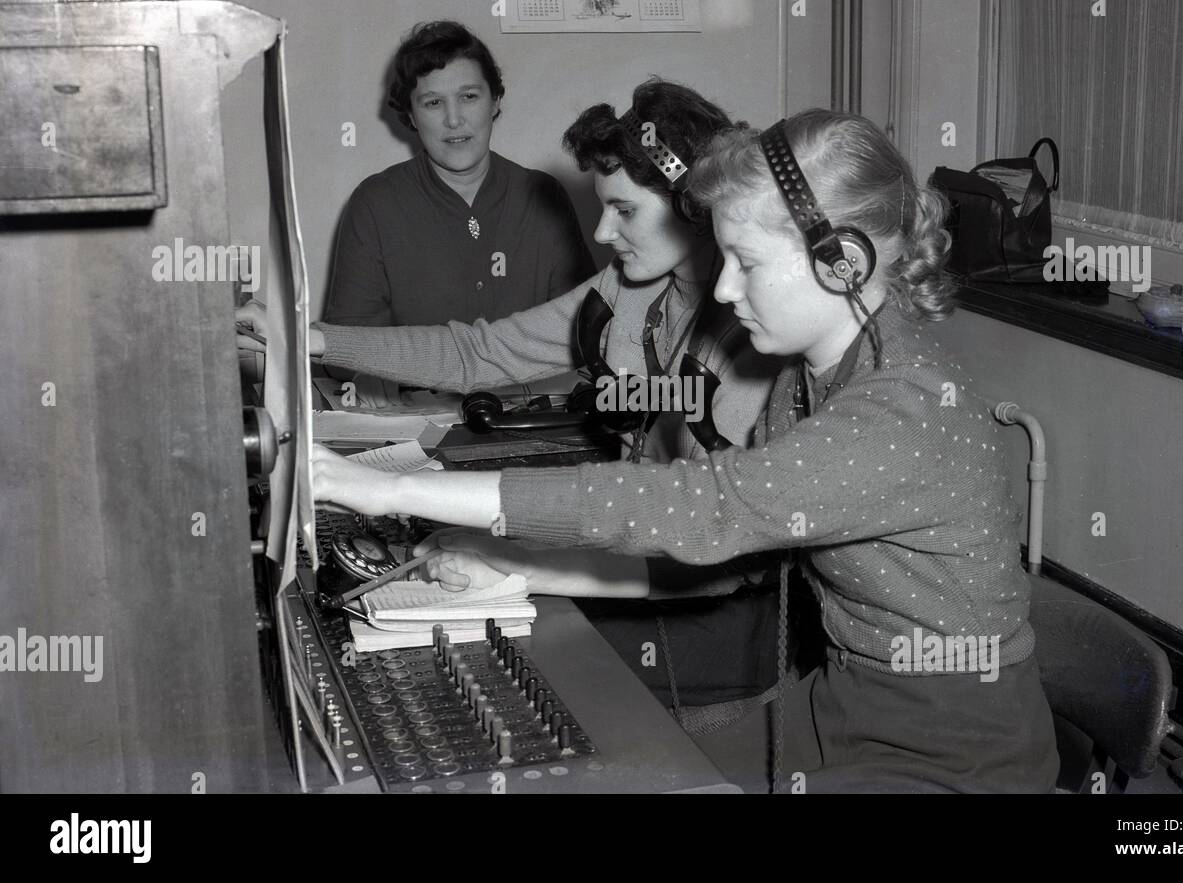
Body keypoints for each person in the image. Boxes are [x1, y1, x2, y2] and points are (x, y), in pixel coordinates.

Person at [310, 109, 1061, 794]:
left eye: (748, 262)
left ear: (843, 262)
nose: (725, 288)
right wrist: (513, 563)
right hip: (840, 705)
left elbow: (698, 506)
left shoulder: (902, 409)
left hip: (958, 749)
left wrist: (390, 491)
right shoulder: (811, 374)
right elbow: (717, 560)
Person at [238, 79, 791, 714]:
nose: (605, 230)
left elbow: (717, 543)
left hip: (717, 609)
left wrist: (519, 564)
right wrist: (307, 339)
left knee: (512, 669)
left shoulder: (755, 337)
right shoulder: (626, 291)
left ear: (697, 207)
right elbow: (479, 353)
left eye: (626, 211)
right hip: (640, 554)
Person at [324, 20, 594, 327]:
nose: (453, 120)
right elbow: (344, 352)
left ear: (495, 101)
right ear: (412, 115)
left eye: (468, 97)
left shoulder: (544, 195)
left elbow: (584, 331)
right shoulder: (374, 204)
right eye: (434, 102)